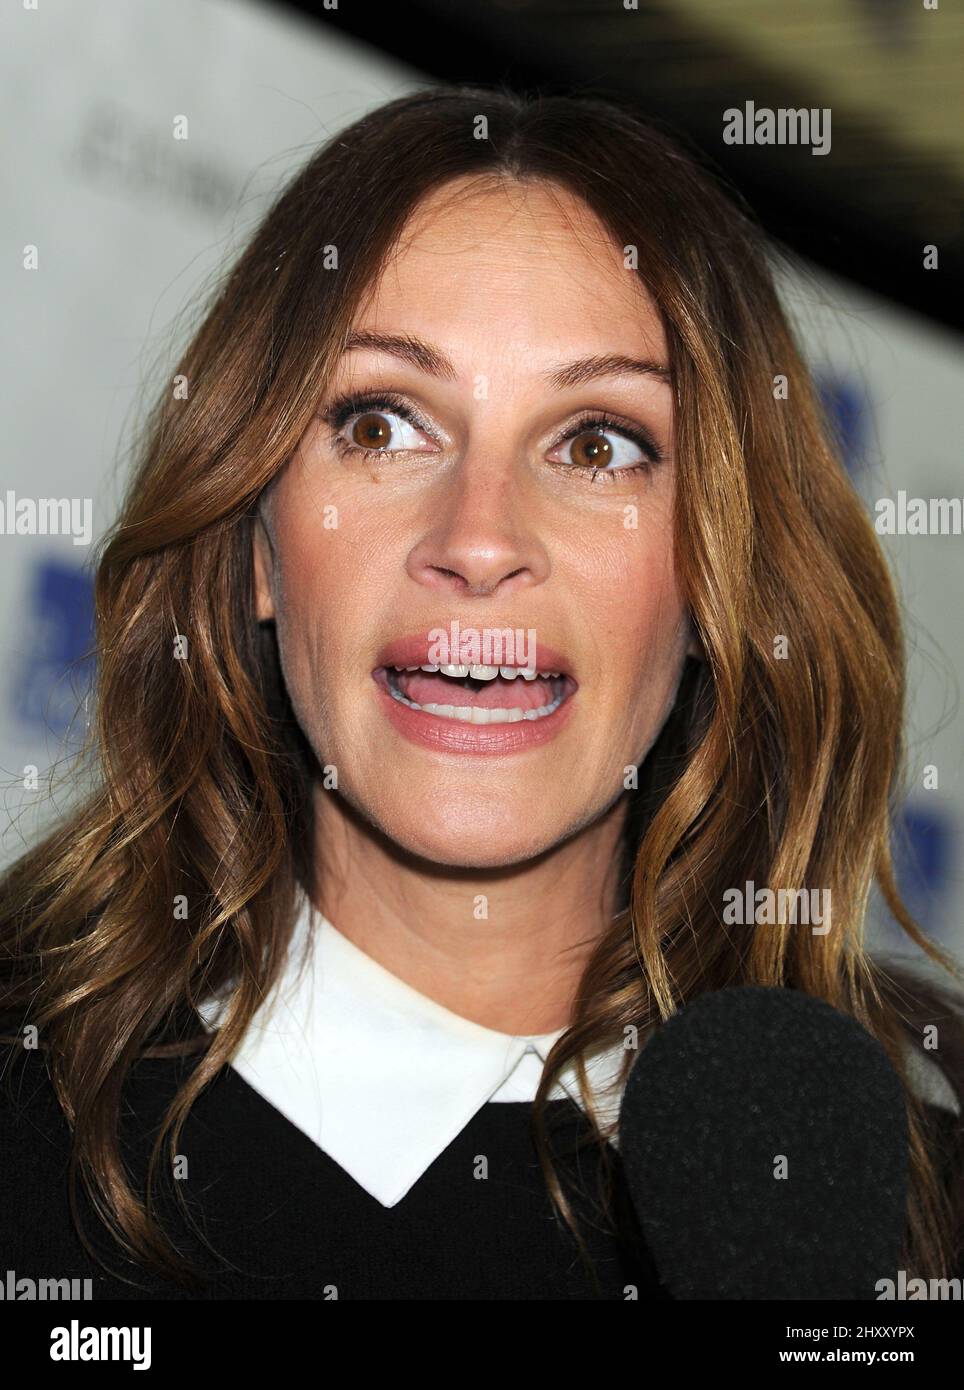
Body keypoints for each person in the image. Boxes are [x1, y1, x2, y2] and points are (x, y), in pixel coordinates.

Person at [1, 84, 961, 1300]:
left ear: (718, 580)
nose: (478, 535)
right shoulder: (27, 1130)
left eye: (597, 443)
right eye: (383, 424)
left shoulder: (904, 1235)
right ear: (256, 545)